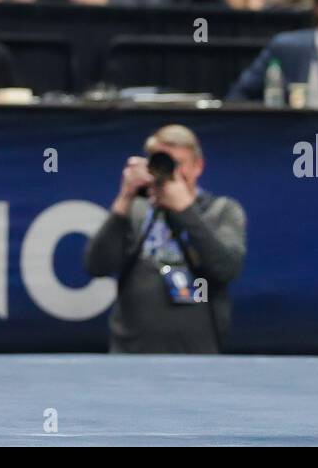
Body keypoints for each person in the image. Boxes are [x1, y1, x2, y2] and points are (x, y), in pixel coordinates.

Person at [83, 123, 247, 354]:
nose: (171, 173)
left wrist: (185, 209)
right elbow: (96, 266)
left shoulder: (221, 211)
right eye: (161, 163)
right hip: (131, 353)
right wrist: (124, 198)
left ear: (198, 166)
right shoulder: (136, 210)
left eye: (178, 164)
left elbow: (225, 269)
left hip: (199, 354)